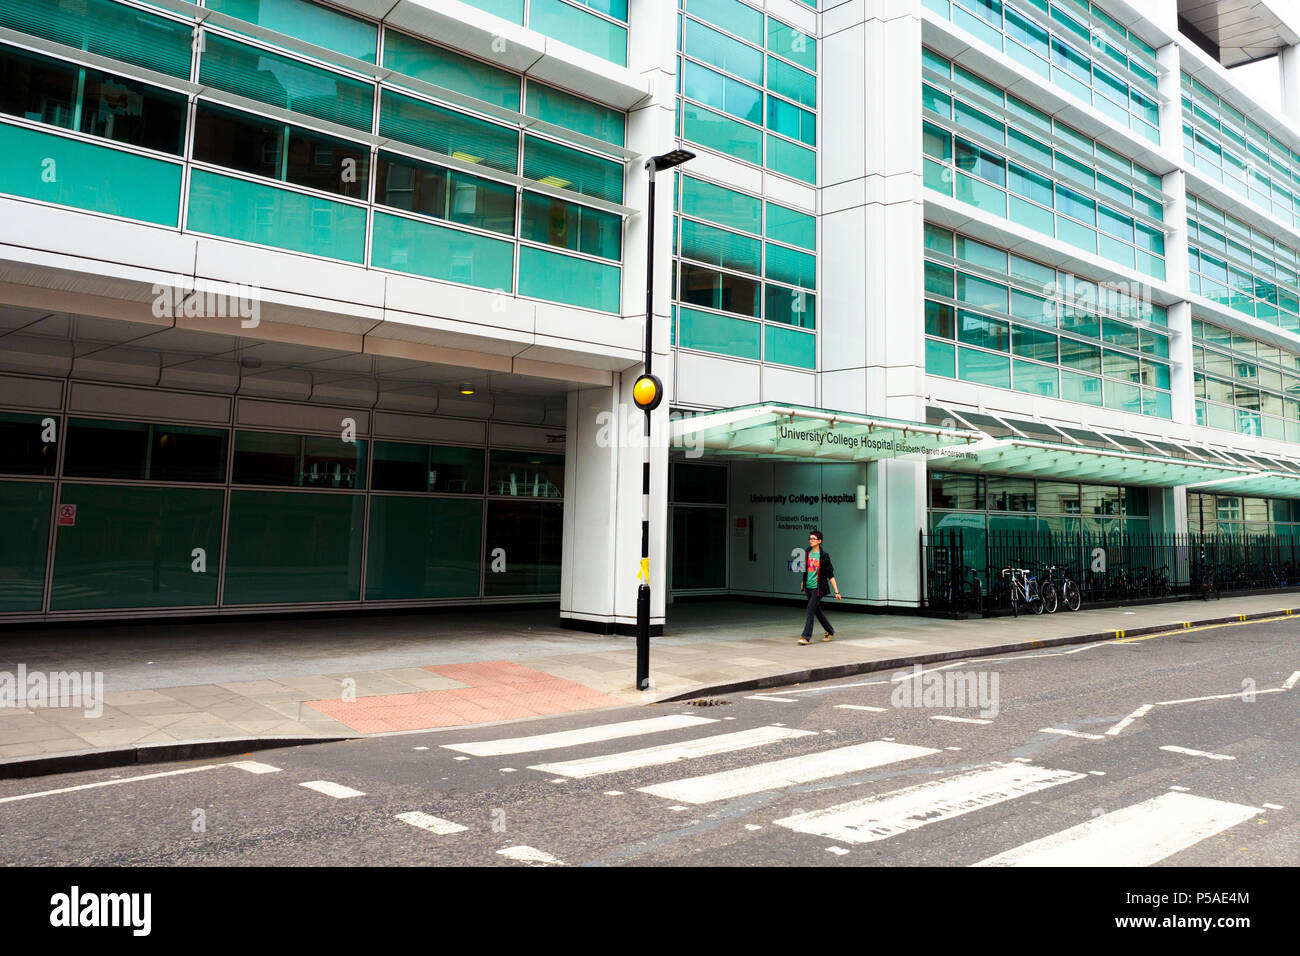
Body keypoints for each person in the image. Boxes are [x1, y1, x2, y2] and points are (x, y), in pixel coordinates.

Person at [799, 529, 840, 645]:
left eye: (813, 539)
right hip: (809, 587)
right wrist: (803, 581)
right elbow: (806, 569)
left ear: (819, 541)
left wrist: (837, 591)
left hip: (819, 588)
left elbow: (830, 575)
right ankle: (830, 631)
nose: (811, 541)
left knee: (810, 610)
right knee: (816, 611)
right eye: (810, 538)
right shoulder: (807, 552)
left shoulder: (823, 555)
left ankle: (806, 637)